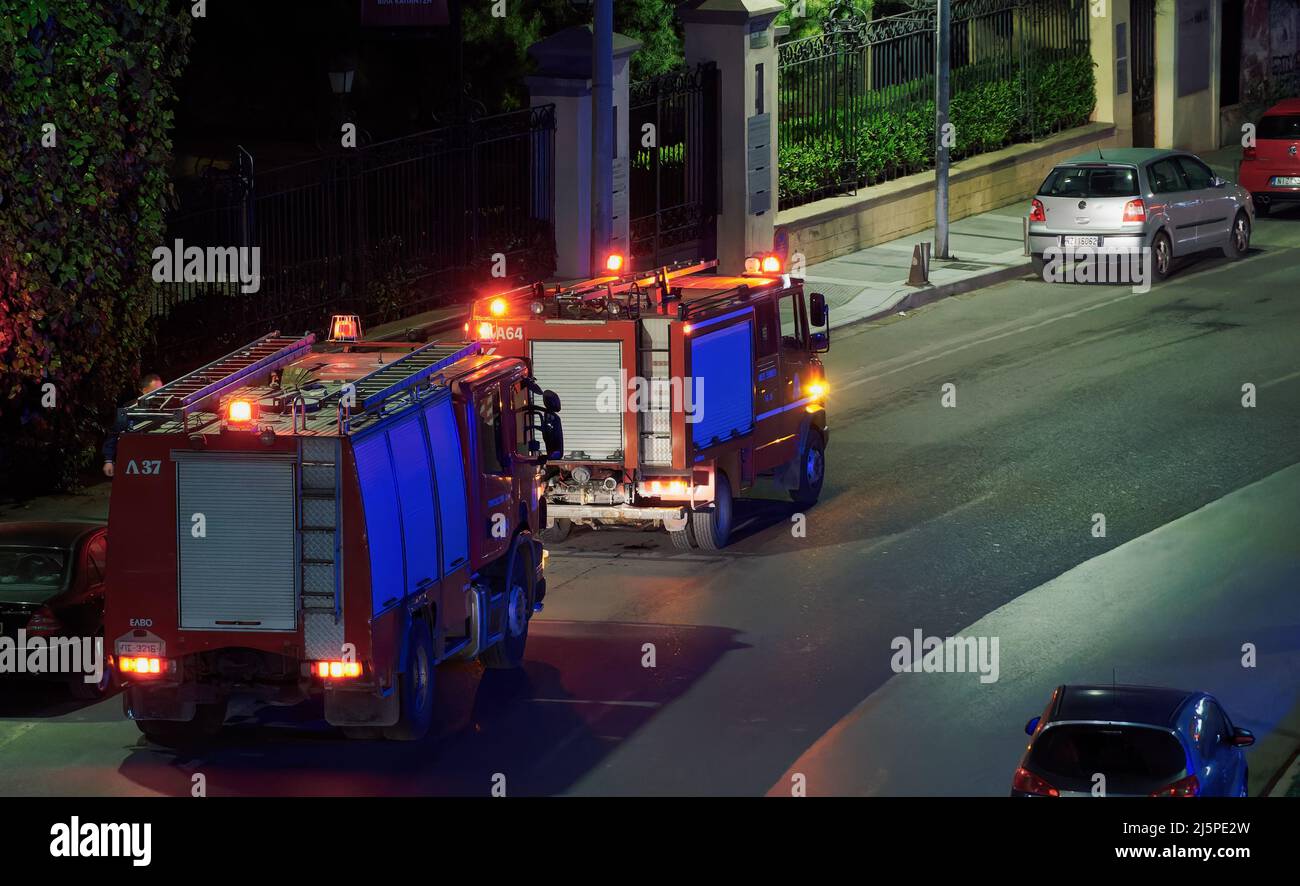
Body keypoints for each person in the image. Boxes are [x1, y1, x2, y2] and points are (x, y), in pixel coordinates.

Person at [102, 374, 163, 478]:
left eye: (161, 390)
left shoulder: (165, 410)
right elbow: (114, 435)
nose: (160, 394)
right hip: (132, 462)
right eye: (155, 391)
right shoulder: (127, 409)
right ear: (144, 390)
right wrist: (108, 460)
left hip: (159, 461)